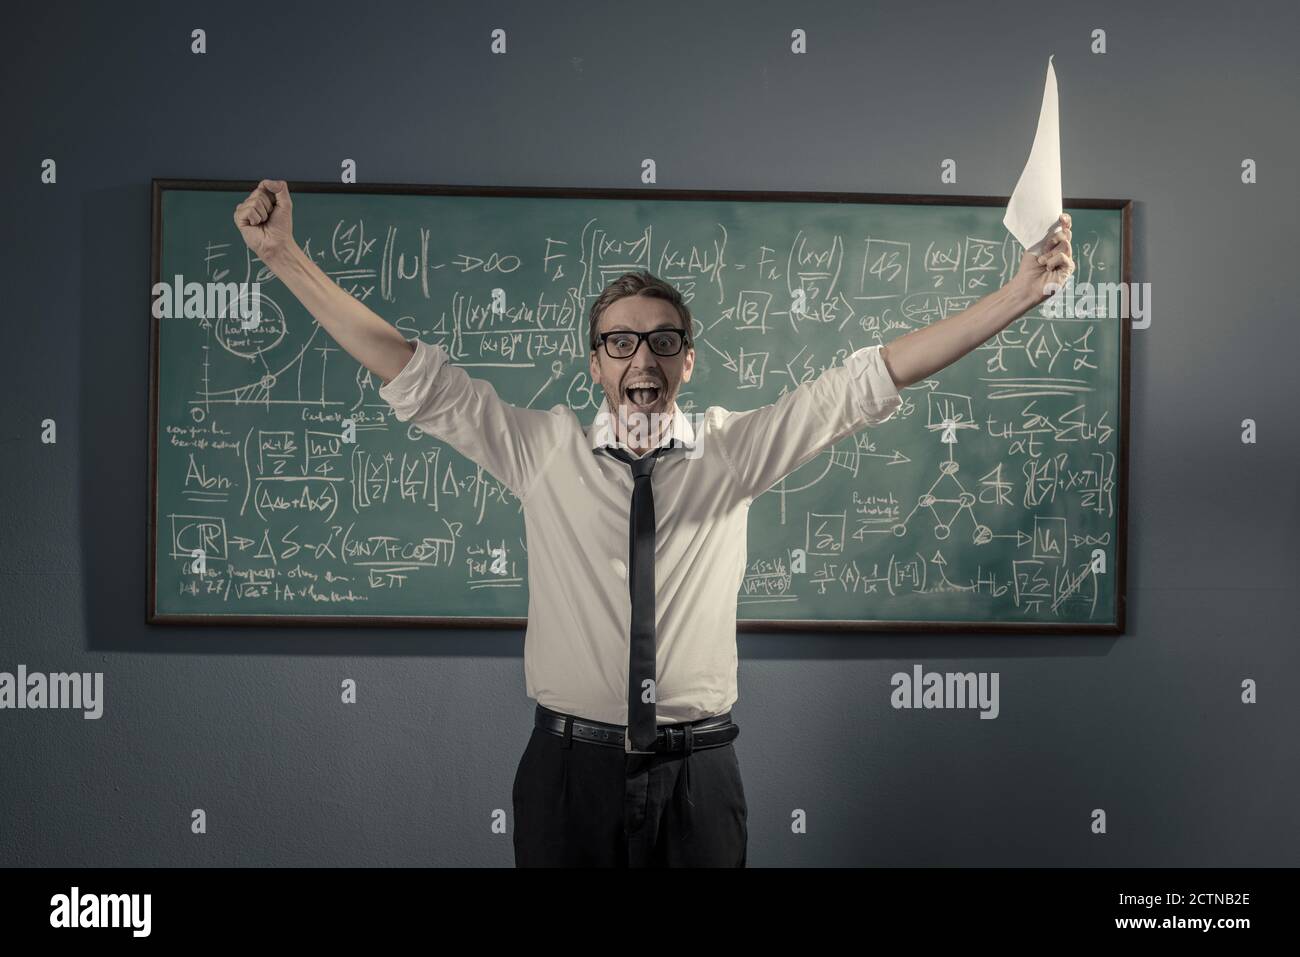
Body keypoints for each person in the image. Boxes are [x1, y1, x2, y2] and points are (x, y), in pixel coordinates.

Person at [234, 179, 1073, 867]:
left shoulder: (734, 451)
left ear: (690, 359)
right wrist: (284, 258)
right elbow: (408, 368)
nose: (645, 359)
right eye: (622, 342)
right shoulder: (539, 451)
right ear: (594, 361)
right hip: (568, 774)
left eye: (665, 341)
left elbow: (871, 379)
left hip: (699, 776)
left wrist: (1019, 292)